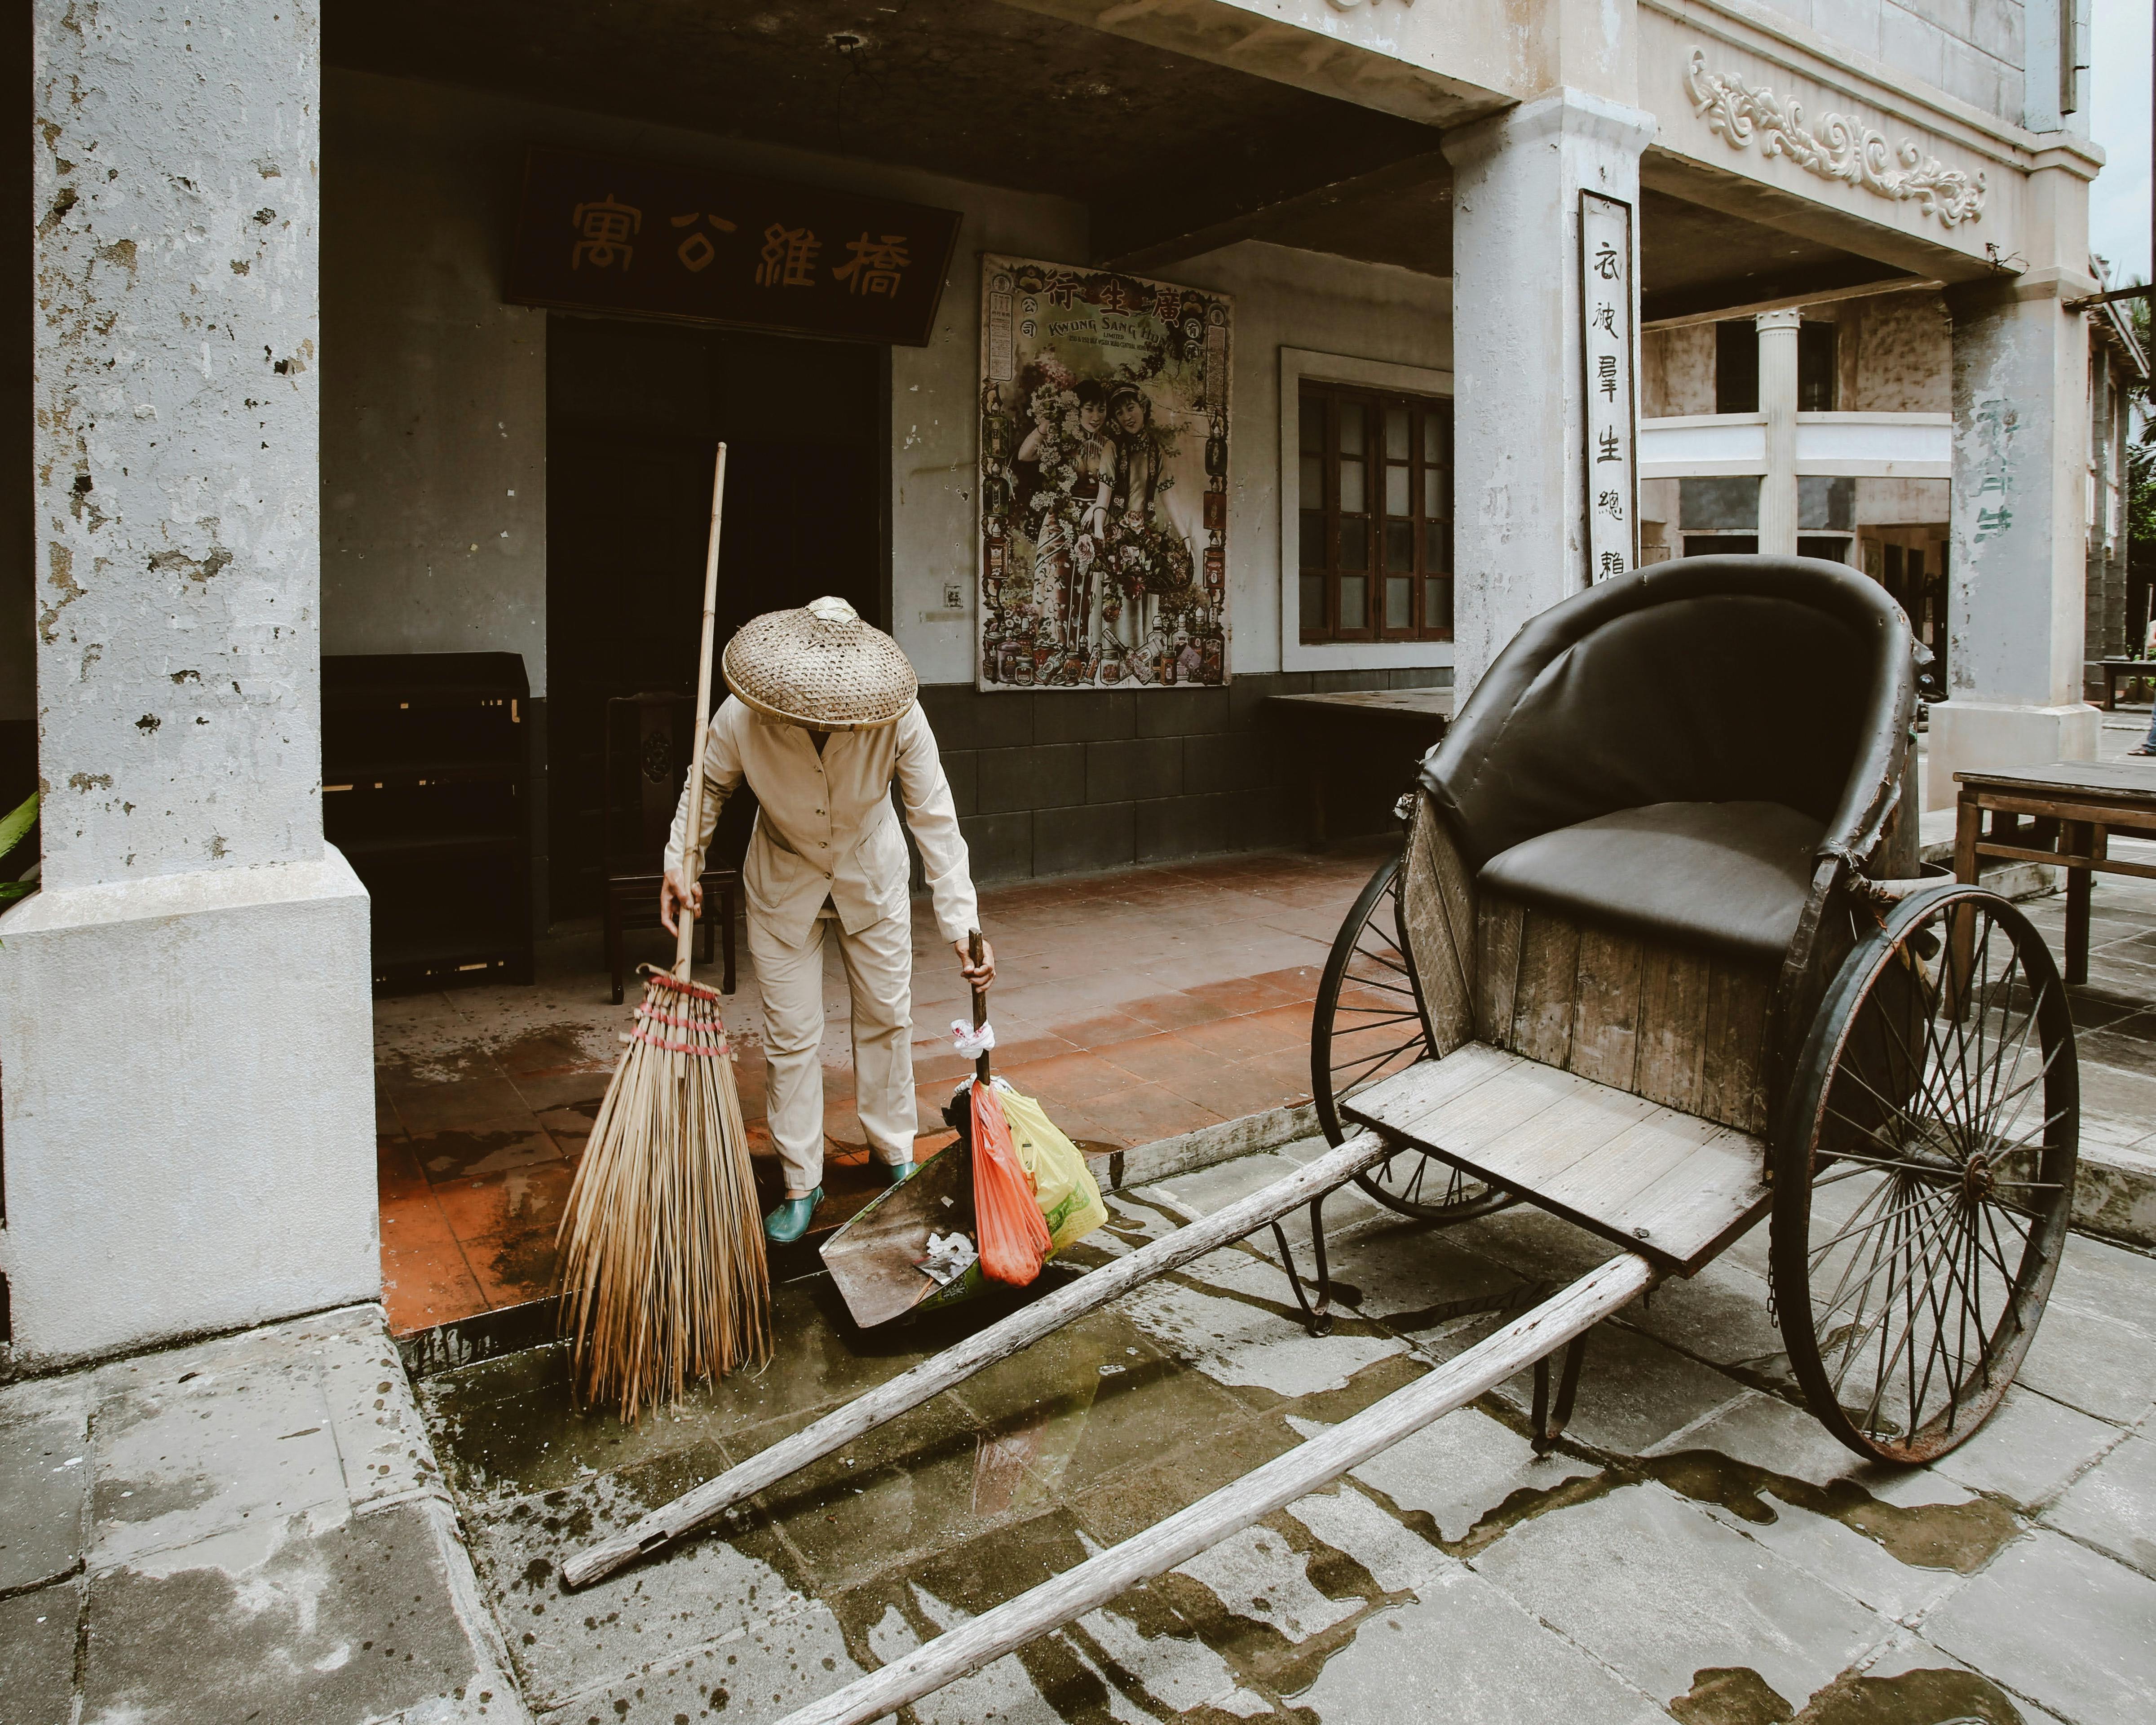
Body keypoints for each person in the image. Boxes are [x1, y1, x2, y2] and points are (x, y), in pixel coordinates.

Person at [660, 596, 993, 1243]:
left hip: (871, 874)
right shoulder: (746, 712)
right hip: (784, 881)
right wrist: (682, 861)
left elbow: (934, 816)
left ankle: (894, 1151)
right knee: (791, 1037)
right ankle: (799, 1180)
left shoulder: (896, 712)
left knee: (886, 1017)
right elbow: (708, 789)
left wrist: (964, 927)